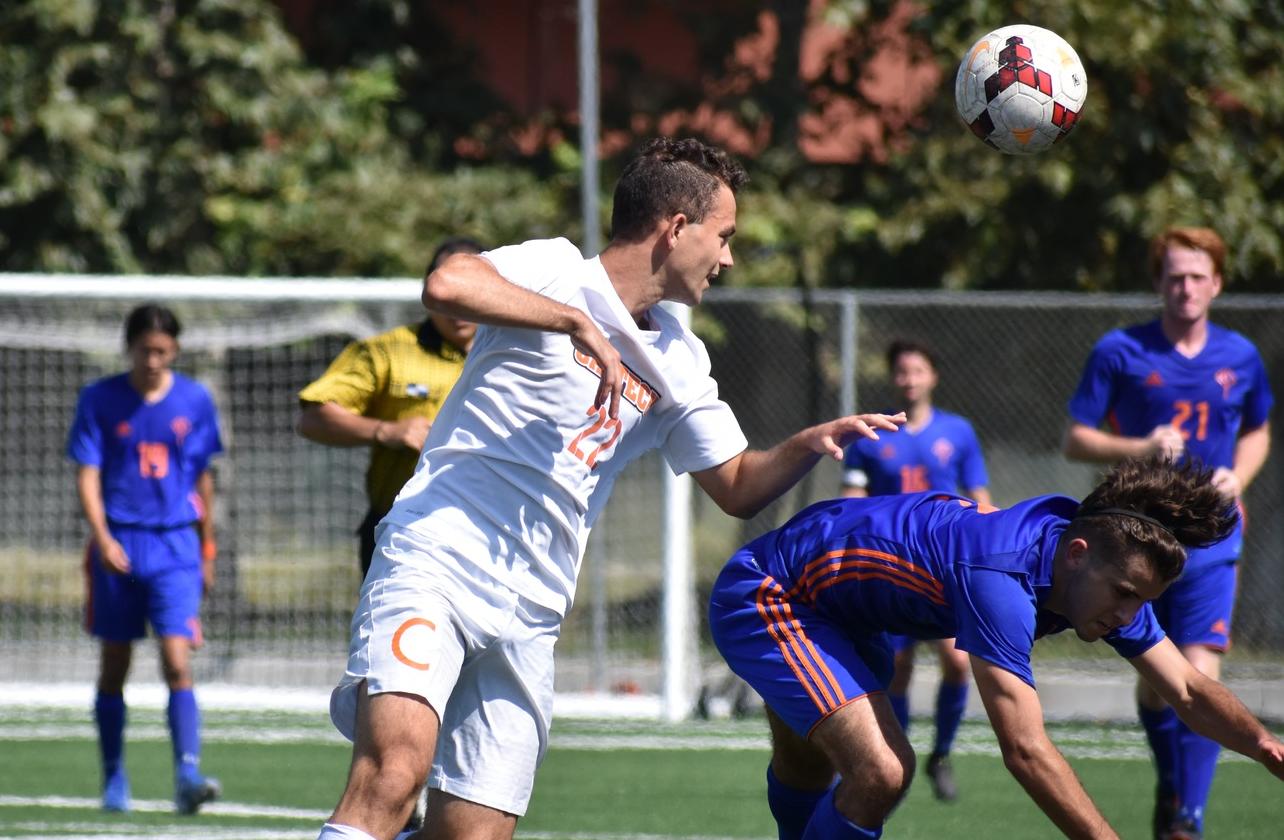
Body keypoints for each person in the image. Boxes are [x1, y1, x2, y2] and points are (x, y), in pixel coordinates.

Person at [315, 137, 906, 840]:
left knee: (471, 835)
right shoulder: (555, 270)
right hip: (435, 559)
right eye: (725, 237)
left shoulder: (680, 360)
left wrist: (808, 444)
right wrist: (572, 320)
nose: (729, 259)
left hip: (532, 611)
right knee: (390, 775)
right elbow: (447, 284)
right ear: (677, 229)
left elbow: (740, 485)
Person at [709, 456, 1284, 840]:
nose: (1128, 616)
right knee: (882, 771)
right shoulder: (1002, 579)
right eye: (1126, 595)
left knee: (808, 767)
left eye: (1142, 601)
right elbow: (1026, 750)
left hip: (843, 612)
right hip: (772, 592)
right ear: (1077, 553)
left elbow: (1186, 688)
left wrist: (1263, 745)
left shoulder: (1094, 569)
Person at [1062, 227, 1273, 840]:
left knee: (1201, 672)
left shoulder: (1240, 357)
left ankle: (1188, 819)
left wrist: (1242, 472)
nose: (1186, 287)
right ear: (1158, 283)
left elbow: (1258, 429)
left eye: (1197, 276)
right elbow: (1076, 438)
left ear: (1217, 284)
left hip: (1215, 536)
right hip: (1142, 539)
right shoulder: (1119, 351)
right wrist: (1140, 445)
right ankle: (1173, 784)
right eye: (1174, 276)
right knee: (1159, 687)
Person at [67, 304, 225, 815]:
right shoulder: (100, 399)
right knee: (115, 664)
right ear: (129, 347)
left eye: (162, 351)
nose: (153, 359)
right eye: (144, 349)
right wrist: (102, 536)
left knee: (177, 663)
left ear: (175, 350)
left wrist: (207, 548)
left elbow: (202, 477)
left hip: (176, 544)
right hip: (120, 545)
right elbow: (87, 473)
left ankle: (187, 774)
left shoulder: (195, 400)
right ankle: (114, 777)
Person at [840, 338, 990, 802]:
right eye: (902, 372)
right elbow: (852, 499)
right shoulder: (872, 432)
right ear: (893, 378)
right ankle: (897, 760)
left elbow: (979, 497)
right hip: (890, 570)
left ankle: (941, 755)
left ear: (933, 377)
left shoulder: (959, 432)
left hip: (943, 568)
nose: (910, 379)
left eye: (918, 371)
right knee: (897, 669)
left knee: (957, 662)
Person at [298, 237, 483, 579]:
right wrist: (386, 431)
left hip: (490, 533)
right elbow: (314, 419)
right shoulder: (386, 352)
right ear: (431, 290)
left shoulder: (523, 354)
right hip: (400, 531)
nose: (458, 302)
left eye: (471, 288)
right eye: (449, 287)